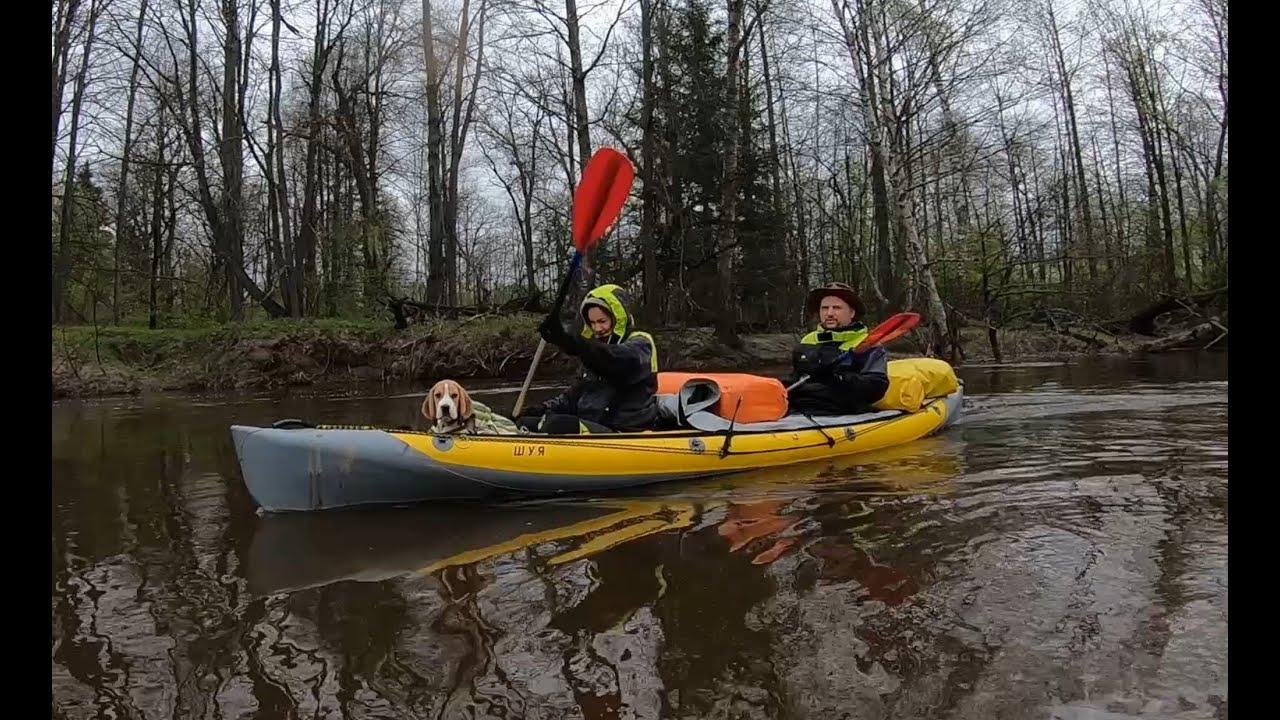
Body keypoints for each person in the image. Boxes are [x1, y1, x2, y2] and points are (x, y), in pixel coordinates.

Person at [516, 284, 660, 434]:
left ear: (617, 318)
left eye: (602, 321)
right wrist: (542, 409)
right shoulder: (592, 351)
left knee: (557, 424)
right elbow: (572, 398)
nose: (597, 328)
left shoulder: (641, 344)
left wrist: (572, 342)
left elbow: (612, 359)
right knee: (526, 422)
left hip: (623, 429)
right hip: (594, 425)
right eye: (593, 323)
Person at [781, 282, 890, 416]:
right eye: (825, 308)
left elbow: (876, 387)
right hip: (799, 410)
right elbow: (794, 377)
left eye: (837, 308)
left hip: (844, 413)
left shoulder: (868, 344)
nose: (830, 313)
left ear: (852, 313)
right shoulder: (808, 341)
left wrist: (838, 378)